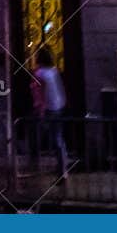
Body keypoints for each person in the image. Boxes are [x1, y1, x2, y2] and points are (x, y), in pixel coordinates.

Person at [30, 46, 69, 175]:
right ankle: (63, 166)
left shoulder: (39, 73)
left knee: (36, 135)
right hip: (58, 106)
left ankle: (35, 162)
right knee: (58, 137)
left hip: (47, 109)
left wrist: (41, 108)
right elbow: (59, 87)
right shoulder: (54, 71)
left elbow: (40, 93)